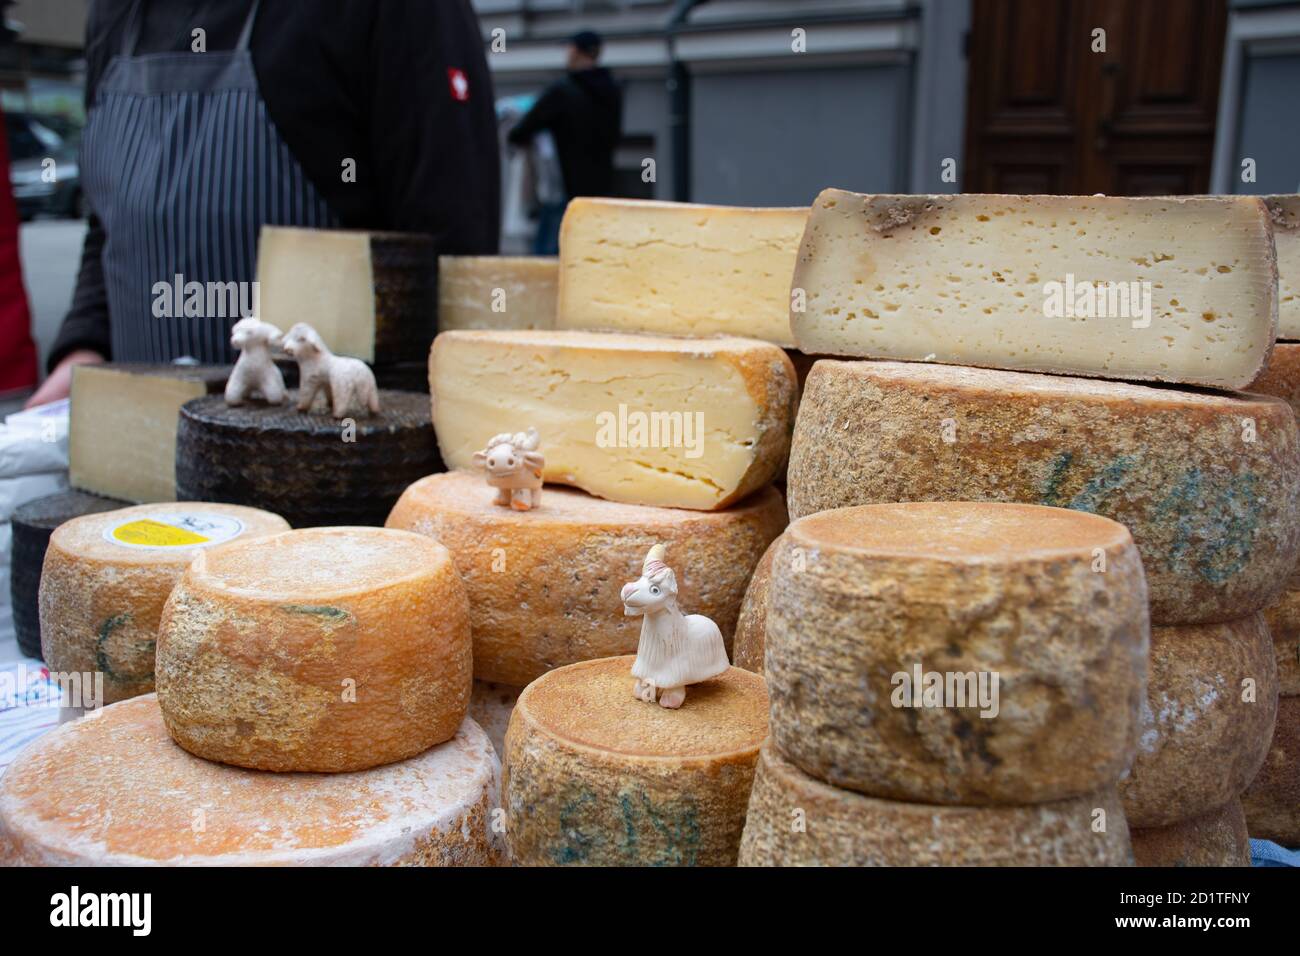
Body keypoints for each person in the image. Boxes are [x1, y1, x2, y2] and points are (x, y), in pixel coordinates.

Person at [27, 0, 499, 408]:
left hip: (327, 461)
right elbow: (110, 223)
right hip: (134, 451)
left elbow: (455, 246)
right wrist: (82, 351)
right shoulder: (114, 11)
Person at [507, 29, 622, 254]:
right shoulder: (613, 89)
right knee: (589, 253)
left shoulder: (563, 91)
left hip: (561, 188)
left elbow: (522, 130)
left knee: (550, 257)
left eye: (569, 48)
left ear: (577, 52)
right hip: (600, 188)